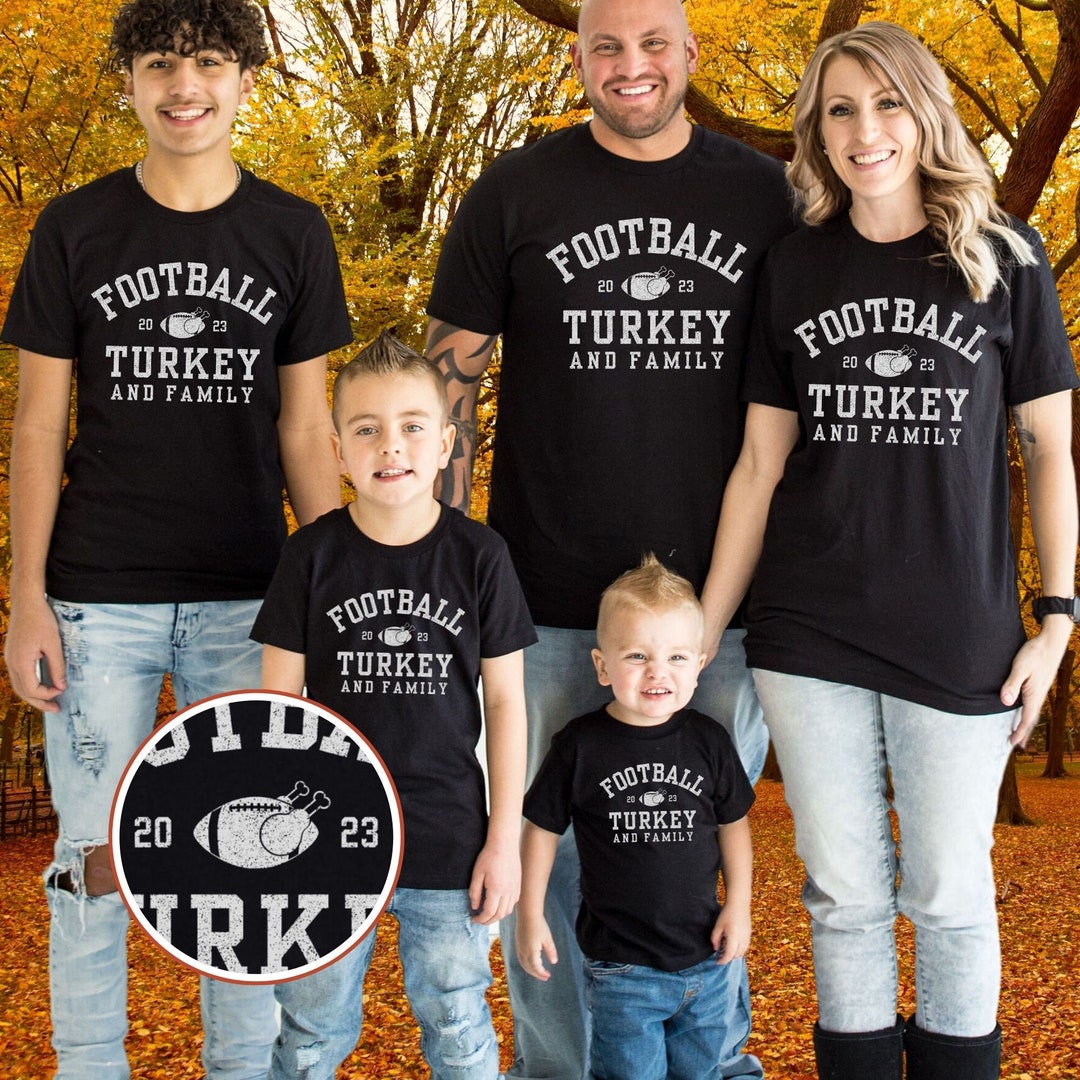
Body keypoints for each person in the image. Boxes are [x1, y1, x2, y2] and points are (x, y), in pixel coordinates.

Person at [700, 21, 1078, 1080]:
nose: (867, 130)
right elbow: (757, 470)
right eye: (840, 110)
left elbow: (1049, 448)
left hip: (960, 633)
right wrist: (708, 624)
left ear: (926, 111)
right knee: (843, 893)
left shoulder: (1005, 257)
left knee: (950, 892)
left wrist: (1057, 618)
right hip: (806, 632)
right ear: (817, 135)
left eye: (888, 103)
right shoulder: (794, 266)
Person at [425, 0, 793, 1073]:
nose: (630, 66)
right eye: (605, 47)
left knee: (692, 870)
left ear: (688, 55)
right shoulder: (515, 188)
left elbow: (796, 398)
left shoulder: (762, 196)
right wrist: (449, 581)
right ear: (579, 58)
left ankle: (708, 1062)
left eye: (651, 45)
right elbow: (453, 382)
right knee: (550, 870)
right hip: (539, 608)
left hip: (711, 619)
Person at [0, 0, 353, 1074]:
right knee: (91, 858)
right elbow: (38, 422)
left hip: (251, 600)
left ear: (246, 80)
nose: (184, 83)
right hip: (96, 600)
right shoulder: (74, 227)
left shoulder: (293, 230)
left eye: (208, 60)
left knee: (242, 873)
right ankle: (89, 1064)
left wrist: (328, 592)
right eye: (160, 62)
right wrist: (23, 598)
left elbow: (307, 428)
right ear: (129, 81)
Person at [252, 331, 536, 1080]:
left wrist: (502, 841)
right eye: (367, 429)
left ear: (445, 444)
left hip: (448, 837)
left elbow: (507, 704)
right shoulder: (309, 557)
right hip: (322, 841)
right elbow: (276, 707)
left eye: (412, 426)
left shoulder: (481, 556)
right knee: (310, 1031)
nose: (391, 446)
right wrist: (279, 842)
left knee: (458, 1025)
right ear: (340, 450)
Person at [517, 554, 755, 1080]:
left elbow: (734, 827)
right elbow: (541, 830)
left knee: (702, 1073)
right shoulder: (580, 745)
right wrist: (530, 912)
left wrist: (739, 905)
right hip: (622, 971)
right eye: (637, 655)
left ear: (699, 663)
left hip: (708, 962)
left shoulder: (708, 741)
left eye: (676, 657)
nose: (657, 672)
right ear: (602, 666)